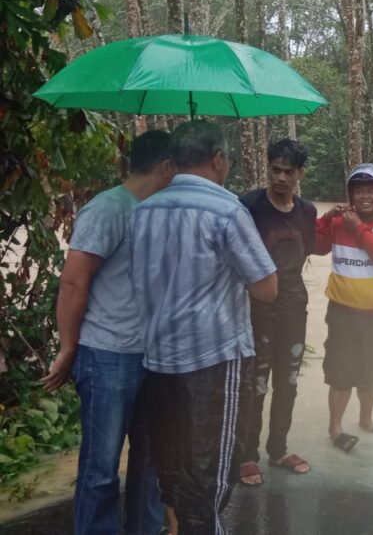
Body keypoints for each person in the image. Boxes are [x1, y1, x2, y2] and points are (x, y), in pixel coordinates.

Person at [131, 120, 277, 534]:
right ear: (218, 159)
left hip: (158, 357)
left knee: (173, 470)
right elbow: (267, 287)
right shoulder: (227, 209)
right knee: (210, 474)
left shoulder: (144, 211)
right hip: (214, 358)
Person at [43, 131, 174, 535]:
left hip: (151, 355)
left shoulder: (158, 211)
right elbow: (73, 283)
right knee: (101, 467)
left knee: (150, 462)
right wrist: (68, 348)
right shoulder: (108, 209)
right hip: (107, 356)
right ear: (166, 167)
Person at [238, 140, 317, 485]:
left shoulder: (307, 211)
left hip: (294, 306)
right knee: (255, 383)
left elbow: (312, 249)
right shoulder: (248, 205)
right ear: (268, 167)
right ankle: (246, 455)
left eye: (289, 171)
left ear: (300, 174)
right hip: (256, 309)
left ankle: (279, 448)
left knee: (288, 381)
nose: (281, 177)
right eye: (275, 169)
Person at [312, 163, 373, 452]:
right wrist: (327, 218)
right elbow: (314, 245)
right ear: (351, 194)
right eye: (359, 190)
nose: (365, 196)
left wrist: (358, 228)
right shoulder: (339, 223)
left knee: (372, 371)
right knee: (341, 374)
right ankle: (336, 429)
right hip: (342, 314)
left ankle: (367, 421)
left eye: (371, 190)